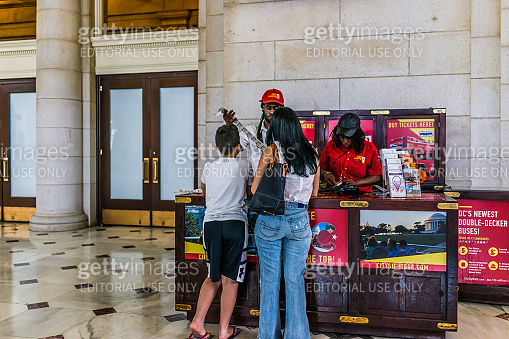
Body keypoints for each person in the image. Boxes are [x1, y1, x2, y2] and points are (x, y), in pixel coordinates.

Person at [251, 107, 320, 339]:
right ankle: (298, 335)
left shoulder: (272, 150)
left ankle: (268, 336)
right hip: (300, 221)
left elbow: (254, 189)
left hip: (271, 219)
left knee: (270, 282)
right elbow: (314, 193)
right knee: (294, 280)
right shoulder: (313, 153)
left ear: (277, 127)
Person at [189, 125, 252, 339]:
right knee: (230, 280)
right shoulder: (244, 165)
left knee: (212, 277)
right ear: (238, 146)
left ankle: (198, 322)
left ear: (216, 146)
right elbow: (249, 191)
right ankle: (224, 330)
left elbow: (205, 191)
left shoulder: (208, 167)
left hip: (211, 225)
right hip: (235, 224)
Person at [224, 89, 284, 170]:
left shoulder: (287, 133)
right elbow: (231, 152)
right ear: (263, 107)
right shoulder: (251, 131)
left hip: (282, 181)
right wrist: (229, 128)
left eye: (276, 108)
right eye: (269, 108)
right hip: (258, 181)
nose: (272, 112)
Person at [320, 113, 382, 192]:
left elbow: (376, 176)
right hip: (334, 194)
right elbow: (320, 169)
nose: (345, 141)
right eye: (342, 137)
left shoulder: (369, 148)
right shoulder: (331, 146)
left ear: (356, 135)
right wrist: (326, 174)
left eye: (349, 137)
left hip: (361, 194)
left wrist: (356, 183)